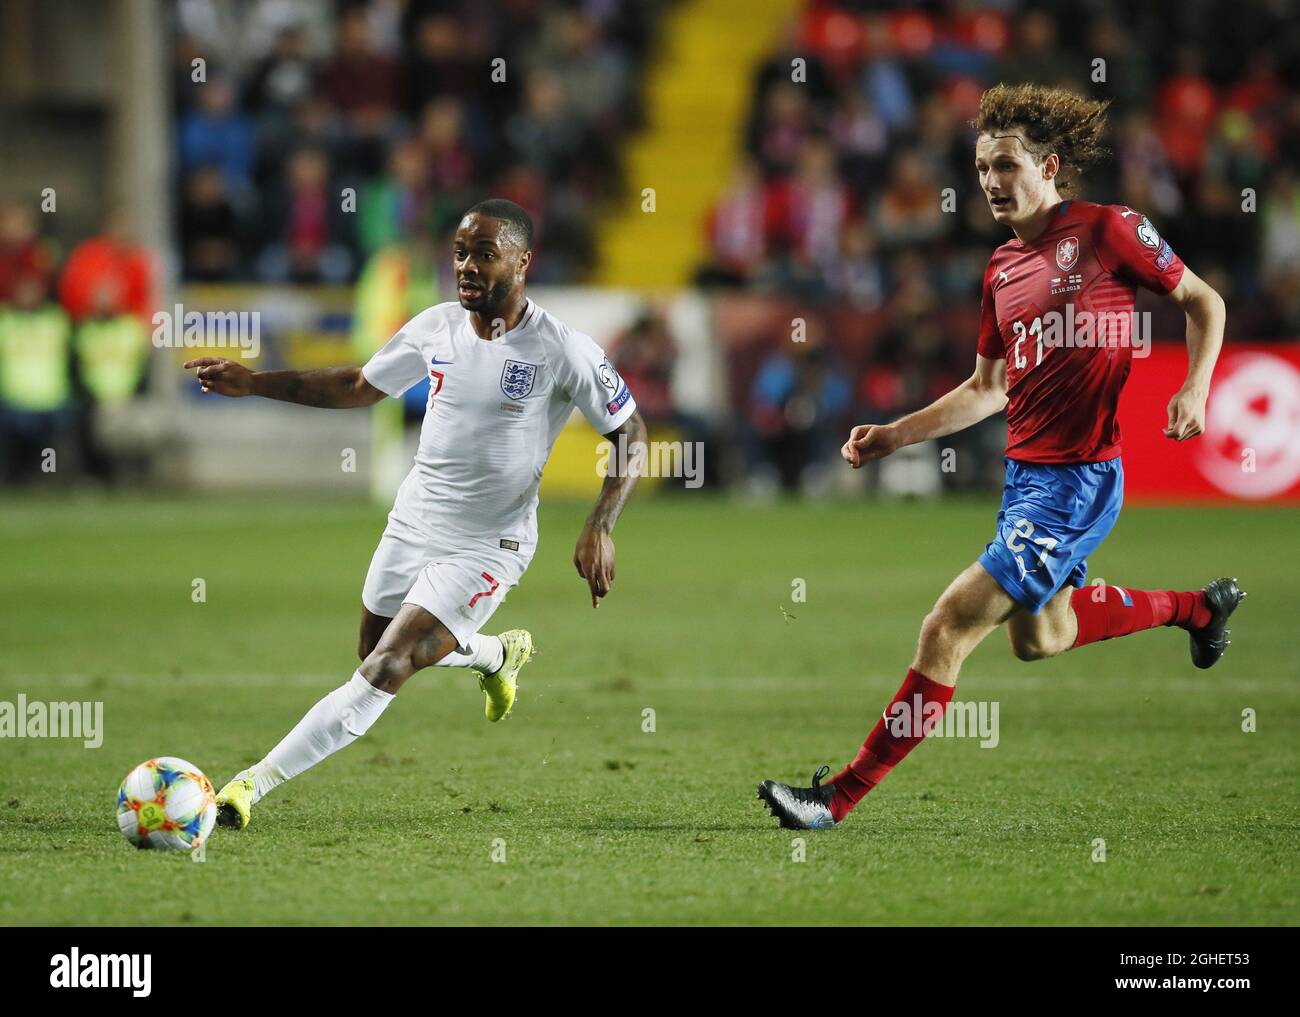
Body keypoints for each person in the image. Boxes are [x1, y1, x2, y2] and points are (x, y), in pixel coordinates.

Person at [758, 84, 1244, 830]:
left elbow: (1203, 301)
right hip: (1027, 480)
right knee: (1039, 638)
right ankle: (1196, 609)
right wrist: (896, 434)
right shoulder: (1001, 271)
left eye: (1007, 165)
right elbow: (989, 388)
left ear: (1049, 166)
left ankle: (836, 799)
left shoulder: (1111, 230)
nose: (991, 181)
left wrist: (1196, 388)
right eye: (982, 167)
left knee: (947, 625)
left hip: (1079, 479)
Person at [184, 199, 647, 829]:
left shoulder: (562, 349)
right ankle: (492, 656)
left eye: (484, 254)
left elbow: (631, 432)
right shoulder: (435, 328)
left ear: (522, 261)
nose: (467, 266)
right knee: (373, 649)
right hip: (414, 519)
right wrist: (255, 382)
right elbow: (357, 386)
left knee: (387, 666)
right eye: (460, 252)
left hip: (491, 543)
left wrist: (600, 522)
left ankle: (244, 788)